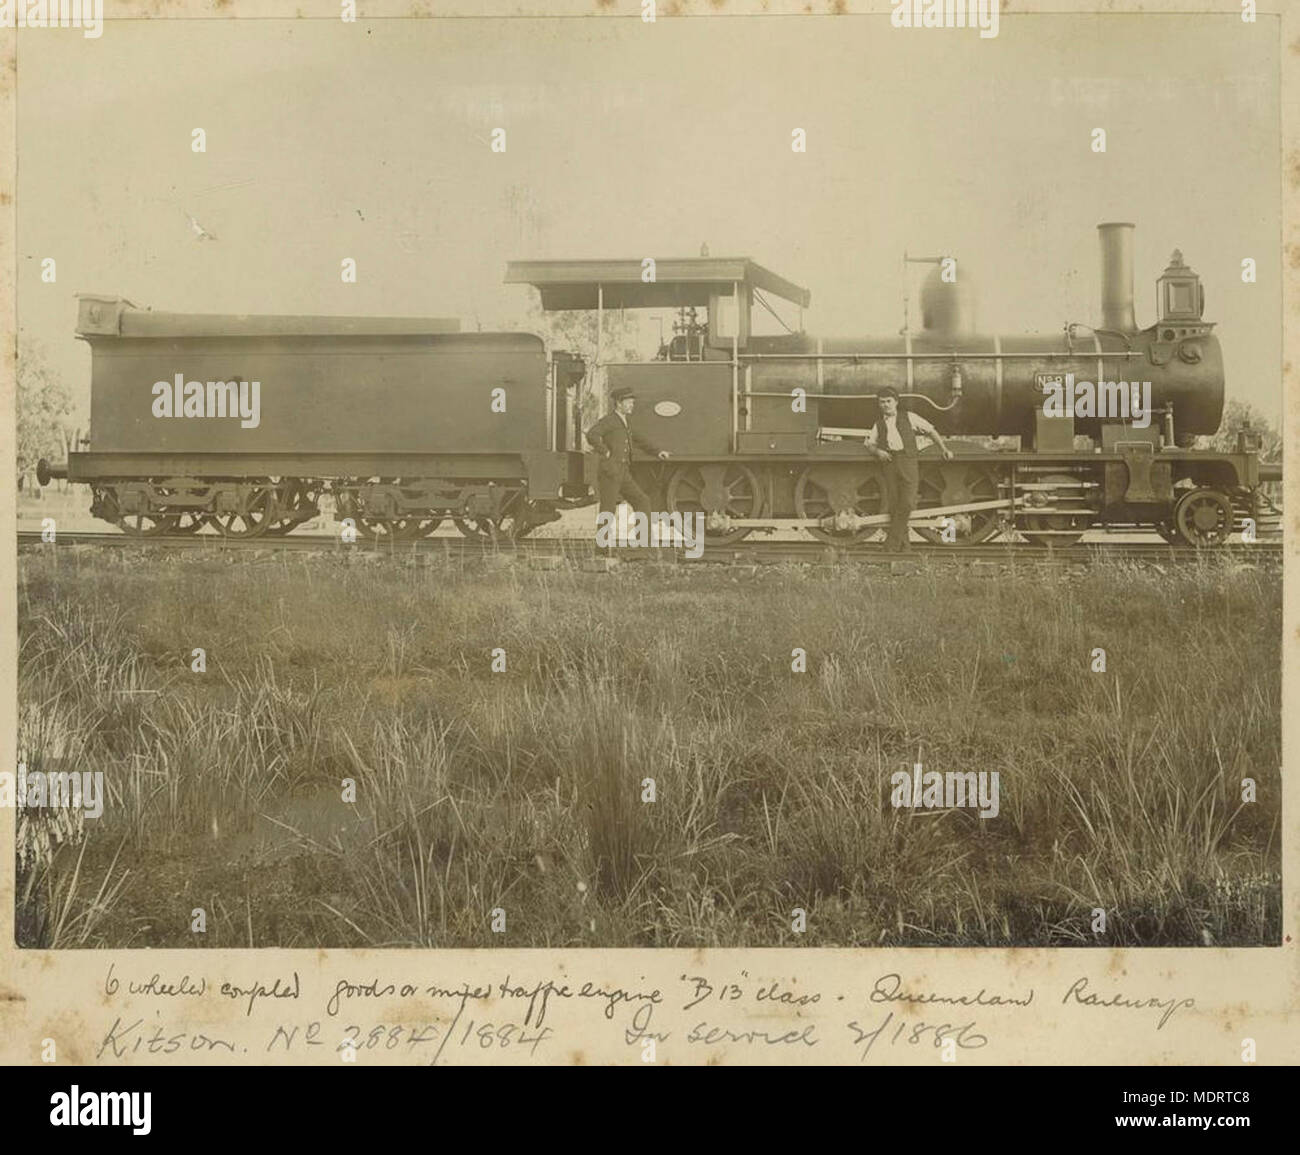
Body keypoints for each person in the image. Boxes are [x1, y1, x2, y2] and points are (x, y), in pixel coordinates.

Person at [863, 387, 954, 552]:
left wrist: (943, 449)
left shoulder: (909, 417)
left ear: (896, 402)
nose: (885, 405)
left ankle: (891, 544)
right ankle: (904, 546)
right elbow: (869, 444)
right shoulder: (878, 424)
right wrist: (878, 452)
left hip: (908, 460)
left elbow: (930, 430)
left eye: (888, 401)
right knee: (894, 504)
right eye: (882, 402)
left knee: (907, 503)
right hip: (889, 462)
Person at [585, 387, 671, 527]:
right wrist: (605, 452)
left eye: (632, 402)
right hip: (611, 472)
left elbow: (638, 439)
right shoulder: (609, 420)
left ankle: (643, 546)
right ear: (619, 403)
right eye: (629, 402)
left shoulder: (624, 422)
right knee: (607, 512)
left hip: (623, 472)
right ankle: (601, 549)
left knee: (642, 501)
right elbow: (592, 435)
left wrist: (657, 451)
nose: (632, 405)